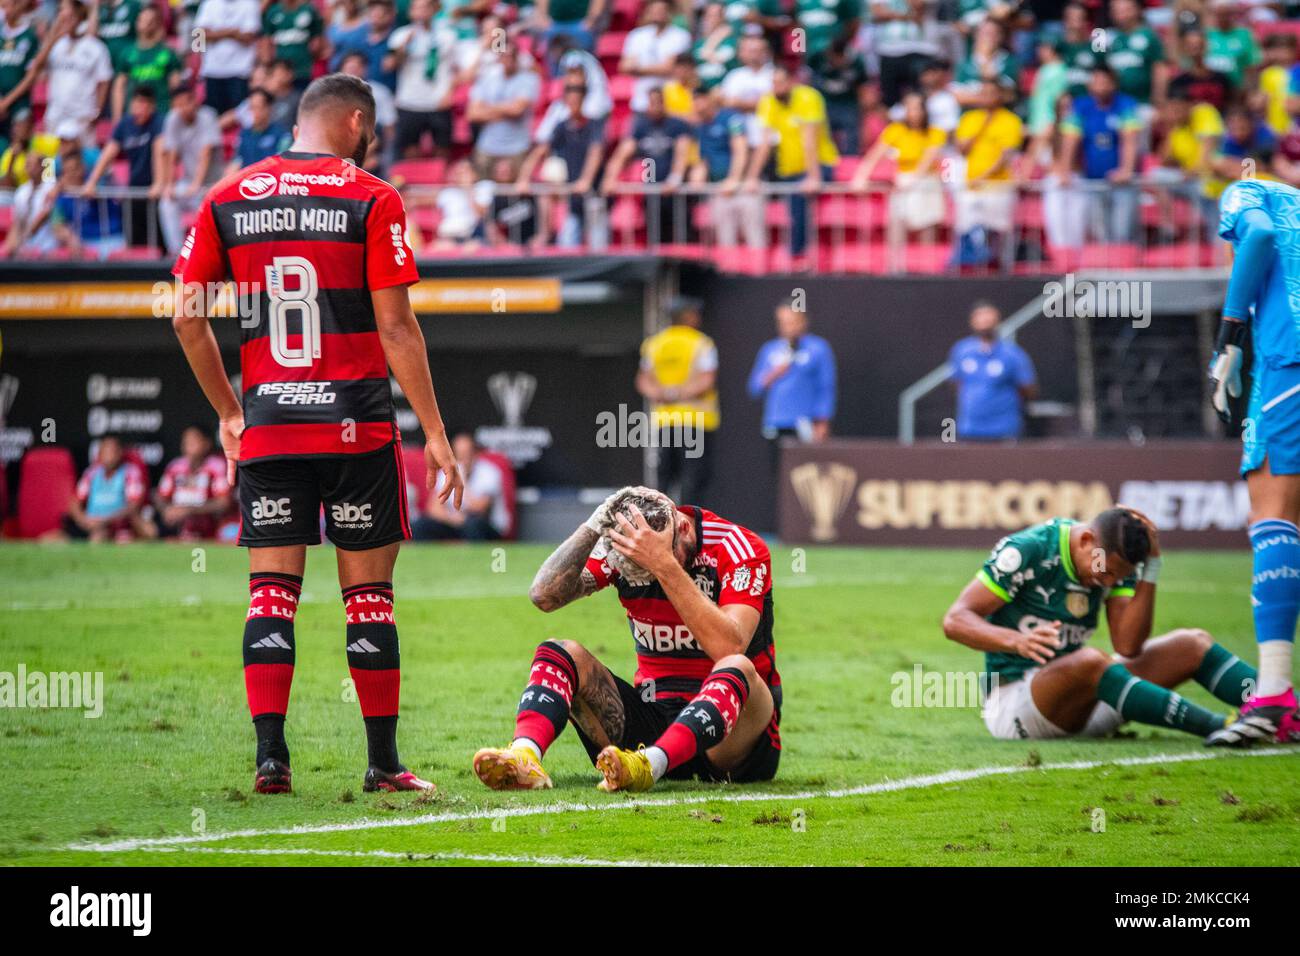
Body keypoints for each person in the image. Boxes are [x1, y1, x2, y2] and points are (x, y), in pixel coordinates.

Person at [171, 72, 463, 795]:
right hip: (355, 427)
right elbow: (396, 327)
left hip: (269, 426)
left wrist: (231, 411)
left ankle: (271, 761)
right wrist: (436, 432)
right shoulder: (372, 196)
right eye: (371, 130)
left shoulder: (228, 197)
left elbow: (185, 316)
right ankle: (383, 764)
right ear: (355, 120)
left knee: (271, 593)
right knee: (369, 598)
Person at [471, 486, 782, 792]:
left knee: (737, 664)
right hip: (654, 719)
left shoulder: (738, 547)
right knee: (559, 652)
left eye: (652, 566)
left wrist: (663, 565)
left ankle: (650, 767)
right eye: (641, 574)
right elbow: (543, 596)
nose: (648, 577)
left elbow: (728, 646)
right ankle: (524, 755)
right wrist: (593, 526)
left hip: (733, 740)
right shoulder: (628, 546)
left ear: (684, 528)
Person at [942, 508, 1247, 740]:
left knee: (1192, 644)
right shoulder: (1028, 550)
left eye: (1118, 575)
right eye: (1106, 572)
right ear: (1086, 540)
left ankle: (1286, 712)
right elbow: (955, 620)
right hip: (1014, 706)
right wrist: (1016, 641)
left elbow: (1127, 646)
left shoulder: (1112, 563)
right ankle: (1223, 726)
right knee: (1092, 662)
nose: (1109, 582)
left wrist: (1152, 568)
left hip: (1088, 697)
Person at [1204, 177, 1300, 746]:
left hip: (1289, 361)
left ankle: (1273, 698)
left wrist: (1230, 334)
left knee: (1274, 519)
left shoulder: (1250, 193)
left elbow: (1258, 236)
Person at [745, 63, 839, 259]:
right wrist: (751, 177)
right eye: (773, 83)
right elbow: (764, 144)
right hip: (789, 167)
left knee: (799, 202)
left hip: (820, 163)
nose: (776, 87)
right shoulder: (768, 101)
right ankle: (774, 255)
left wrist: (814, 177)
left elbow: (809, 141)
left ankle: (798, 255)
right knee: (784, 205)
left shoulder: (808, 97)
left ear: (791, 82)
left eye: (780, 82)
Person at [637, 296, 719, 505]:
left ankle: (659, 524)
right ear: (689, 316)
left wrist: (664, 394)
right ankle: (691, 526)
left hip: (665, 421)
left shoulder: (654, 344)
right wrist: (679, 394)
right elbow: (707, 380)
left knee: (664, 477)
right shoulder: (702, 343)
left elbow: (643, 381)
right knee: (694, 478)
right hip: (696, 421)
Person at [746, 298, 837, 472]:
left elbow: (826, 387)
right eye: (783, 322)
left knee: (806, 472)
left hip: (805, 423)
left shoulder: (818, 348)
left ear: (803, 321)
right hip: (776, 422)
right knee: (778, 472)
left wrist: (822, 421)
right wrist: (775, 372)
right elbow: (754, 388)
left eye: (792, 322)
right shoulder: (770, 349)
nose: (788, 327)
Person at [1057, 64, 1142, 244]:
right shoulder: (1080, 106)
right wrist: (1064, 171)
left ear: (1114, 85)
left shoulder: (1126, 105)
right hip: (1092, 181)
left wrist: (1126, 170)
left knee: (1122, 231)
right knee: (1099, 232)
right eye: (1096, 82)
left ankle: (1123, 270)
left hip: (1122, 183)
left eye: (1105, 82)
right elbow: (1070, 140)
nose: (1100, 86)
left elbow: (1130, 140)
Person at [519, 81, 606, 249]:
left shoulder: (594, 125)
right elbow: (540, 151)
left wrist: (585, 180)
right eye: (570, 101)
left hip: (594, 196)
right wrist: (523, 178)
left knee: (598, 247)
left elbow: (595, 153)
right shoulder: (562, 127)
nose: (573, 105)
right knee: (567, 245)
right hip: (573, 199)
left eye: (577, 100)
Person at [952, 77, 1023, 268]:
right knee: (967, 227)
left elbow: (1006, 156)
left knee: (998, 229)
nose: (986, 97)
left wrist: (982, 177)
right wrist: (983, 126)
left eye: (991, 93)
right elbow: (962, 149)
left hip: (998, 184)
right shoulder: (969, 119)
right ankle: (970, 264)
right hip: (972, 185)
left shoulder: (1011, 121)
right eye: (983, 93)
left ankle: (1000, 266)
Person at [84, 84, 163, 249]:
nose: (139, 109)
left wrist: (158, 183)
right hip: (134, 189)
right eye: (136, 104)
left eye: (144, 104)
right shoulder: (125, 124)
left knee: (159, 241)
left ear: (152, 106)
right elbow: (108, 153)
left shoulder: (158, 122)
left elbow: (159, 152)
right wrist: (92, 182)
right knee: (135, 240)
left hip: (155, 192)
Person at [948, 300, 1037, 441]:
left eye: (989, 318)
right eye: (980, 317)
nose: (985, 321)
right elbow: (956, 383)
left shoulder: (1012, 354)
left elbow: (1027, 388)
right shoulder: (961, 350)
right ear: (972, 321)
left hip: (1004, 429)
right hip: (970, 428)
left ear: (997, 321)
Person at [158, 84, 224, 255]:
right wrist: (169, 184)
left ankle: (206, 255)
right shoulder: (173, 118)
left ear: (195, 101)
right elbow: (171, 154)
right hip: (188, 183)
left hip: (212, 185)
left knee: (204, 214)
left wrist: (196, 185)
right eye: (178, 105)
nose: (182, 109)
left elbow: (206, 153)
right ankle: (176, 252)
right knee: (167, 202)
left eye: (186, 103)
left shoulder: (208, 116)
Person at [411, 433, 510, 540]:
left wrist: (462, 479)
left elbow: (479, 509)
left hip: (486, 526)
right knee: (421, 525)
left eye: (467, 454)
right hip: (454, 522)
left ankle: (474, 556)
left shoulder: (489, 472)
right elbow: (434, 509)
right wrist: (453, 519)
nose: (463, 459)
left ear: (475, 453)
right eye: (459, 455)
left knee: (473, 525)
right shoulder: (446, 472)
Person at [466, 38, 540, 178]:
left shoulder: (528, 79)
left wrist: (488, 108)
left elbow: (517, 110)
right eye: (504, 56)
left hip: (517, 147)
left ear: (517, 57)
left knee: (517, 194)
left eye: (511, 56)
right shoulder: (487, 79)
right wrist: (506, 109)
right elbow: (472, 114)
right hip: (487, 146)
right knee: (483, 190)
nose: (507, 60)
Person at [58, 435, 155, 541]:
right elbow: (75, 501)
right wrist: (83, 519)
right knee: (52, 539)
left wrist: (105, 520)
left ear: (120, 453)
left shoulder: (130, 472)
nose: (109, 456)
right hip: (89, 523)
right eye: (105, 451)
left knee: (101, 537)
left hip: (116, 525)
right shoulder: (91, 473)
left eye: (112, 451)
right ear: (99, 454)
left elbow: (133, 505)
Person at [155, 425, 231, 539]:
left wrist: (189, 510)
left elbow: (224, 503)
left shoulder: (217, 465)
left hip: (211, 528)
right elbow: (160, 497)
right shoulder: (175, 466)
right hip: (178, 528)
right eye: (186, 441)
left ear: (206, 444)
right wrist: (167, 509)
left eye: (193, 441)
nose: (188, 445)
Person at [110, 5, 183, 121]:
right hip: (134, 116)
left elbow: (177, 87)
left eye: (150, 20)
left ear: (157, 24)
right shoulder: (127, 53)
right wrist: (117, 119)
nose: (146, 24)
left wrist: (174, 117)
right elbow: (119, 87)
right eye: (142, 19)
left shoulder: (168, 54)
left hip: (161, 115)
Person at [619, 0, 691, 115]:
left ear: (669, 12)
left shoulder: (681, 36)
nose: (658, 13)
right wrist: (658, 68)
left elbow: (669, 68)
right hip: (641, 101)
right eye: (655, 10)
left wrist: (637, 69)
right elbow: (624, 67)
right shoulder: (636, 35)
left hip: (670, 103)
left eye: (662, 10)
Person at [192, 0, 260, 115]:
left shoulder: (250, 3)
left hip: (240, 72)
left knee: (240, 117)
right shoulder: (209, 4)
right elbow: (198, 37)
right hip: (212, 71)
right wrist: (231, 32)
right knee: (213, 117)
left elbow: (249, 37)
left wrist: (215, 33)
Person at [261, 0, 326, 91]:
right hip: (280, 71)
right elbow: (266, 40)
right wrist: (268, 67)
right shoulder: (273, 12)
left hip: (304, 69)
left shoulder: (309, 10)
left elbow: (317, 40)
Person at [228, 88, 292, 173]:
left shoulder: (283, 135)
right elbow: (236, 163)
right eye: (251, 108)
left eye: (257, 107)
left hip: (270, 181)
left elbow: (282, 165)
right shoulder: (244, 134)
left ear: (268, 108)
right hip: (246, 182)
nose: (253, 112)